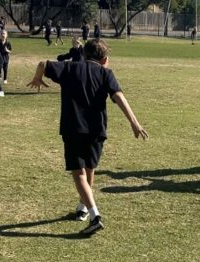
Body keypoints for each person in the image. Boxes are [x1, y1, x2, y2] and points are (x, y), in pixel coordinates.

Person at [27, 38, 147, 236]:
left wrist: (38, 78)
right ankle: (83, 207)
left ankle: (95, 216)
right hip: (97, 130)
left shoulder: (70, 68)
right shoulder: (106, 73)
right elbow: (119, 96)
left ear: (83, 55)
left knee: (79, 173)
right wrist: (134, 123)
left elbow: (42, 63)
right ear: (105, 59)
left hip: (73, 128)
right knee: (89, 169)